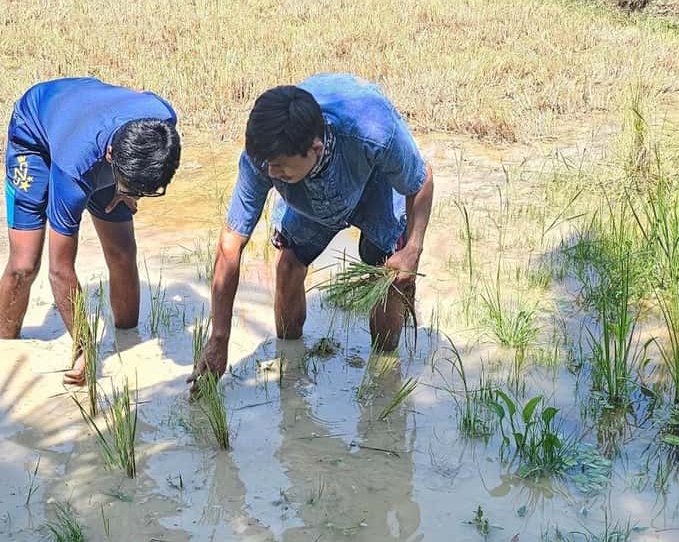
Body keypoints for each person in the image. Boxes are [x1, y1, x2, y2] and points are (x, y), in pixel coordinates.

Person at [191, 73, 433, 385]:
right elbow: (229, 246)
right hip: (308, 202)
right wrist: (219, 339)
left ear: (315, 149)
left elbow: (422, 179)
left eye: (279, 167)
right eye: (265, 165)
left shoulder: (373, 131)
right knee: (288, 265)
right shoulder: (263, 158)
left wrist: (412, 250)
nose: (269, 173)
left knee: (386, 276)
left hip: (373, 183)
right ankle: (291, 368)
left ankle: (384, 376)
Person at [1, 78, 181, 383]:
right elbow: (60, 271)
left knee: (123, 254)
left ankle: (129, 338)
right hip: (35, 131)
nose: (138, 198)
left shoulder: (162, 124)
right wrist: (84, 347)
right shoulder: (74, 171)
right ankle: (6, 351)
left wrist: (128, 191)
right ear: (112, 157)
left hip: (89, 121)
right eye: (134, 189)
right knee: (24, 265)